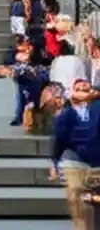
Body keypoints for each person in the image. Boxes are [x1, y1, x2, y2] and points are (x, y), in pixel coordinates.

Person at [51, 77, 100, 230]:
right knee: (79, 204)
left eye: (85, 88)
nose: (82, 92)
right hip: (74, 161)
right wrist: (54, 162)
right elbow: (59, 139)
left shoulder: (97, 108)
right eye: (77, 89)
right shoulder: (66, 114)